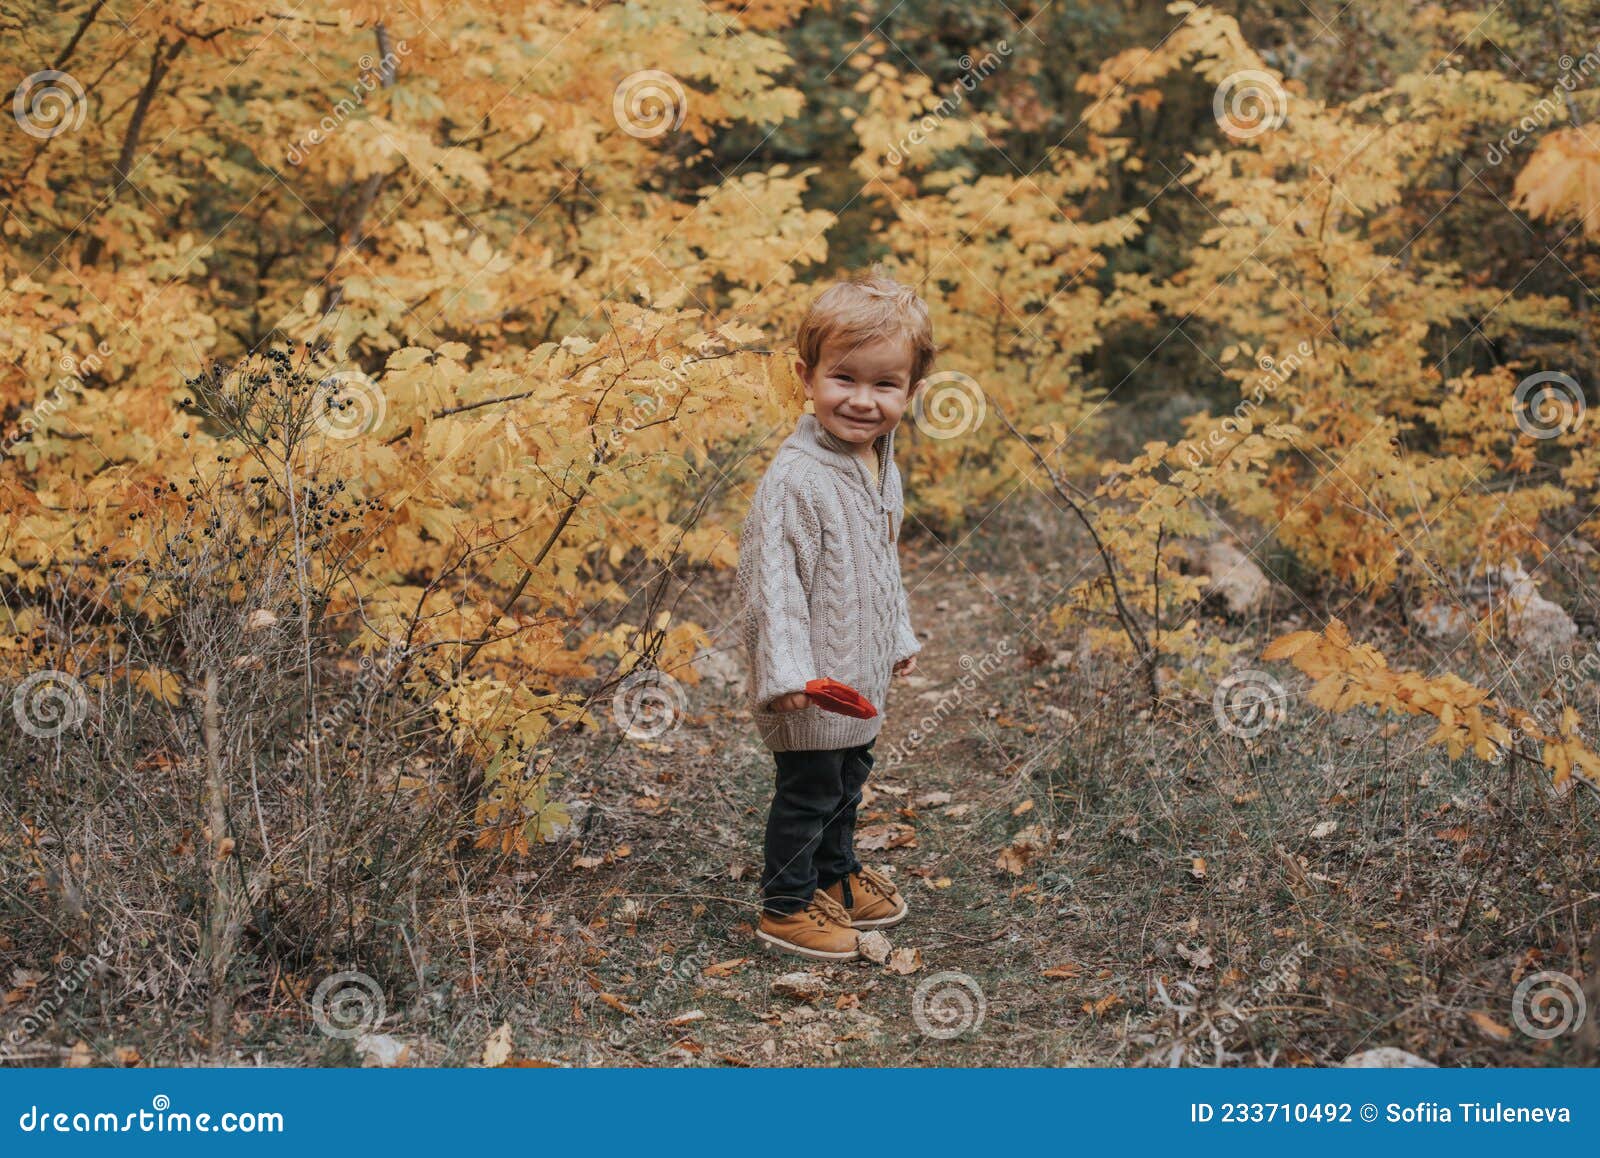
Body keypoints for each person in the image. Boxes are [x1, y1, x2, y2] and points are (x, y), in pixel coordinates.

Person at [735, 272, 932, 960]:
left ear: (910, 391)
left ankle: (836, 877)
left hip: (861, 674)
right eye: (844, 378)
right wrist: (785, 671)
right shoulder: (796, 480)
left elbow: (881, 563)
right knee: (810, 791)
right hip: (811, 681)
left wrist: (897, 635)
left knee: (848, 780)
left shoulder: (879, 467)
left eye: (886, 385)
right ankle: (786, 905)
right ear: (807, 377)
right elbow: (774, 587)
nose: (863, 400)